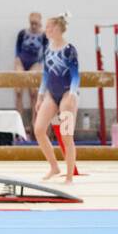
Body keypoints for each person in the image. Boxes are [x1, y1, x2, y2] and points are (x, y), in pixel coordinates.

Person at [34, 13, 80, 183]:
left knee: (66, 135)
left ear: (58, 28)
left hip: (68, 93)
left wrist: (72, 95)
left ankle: (69, 177)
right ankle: (54, 167)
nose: (46, 30)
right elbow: (45, 75)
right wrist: (40, 97)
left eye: (49, 27)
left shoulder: (69, 50)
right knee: (39, 129)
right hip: (51, 94)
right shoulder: (47, 49)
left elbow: (75, 76)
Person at [14, 11, 48, 125]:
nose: (33, 26)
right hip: (21, 62)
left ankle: (34, 124)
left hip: (35, 63)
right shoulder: (23, 33)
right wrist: (17, 59)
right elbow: (17, 49)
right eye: (31, 23)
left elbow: (46, 52)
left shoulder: (43, 36)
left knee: (34, 93)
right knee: (18, 92)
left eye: (36, 23)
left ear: (40, 23)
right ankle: (19, 125)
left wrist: (39, 64)